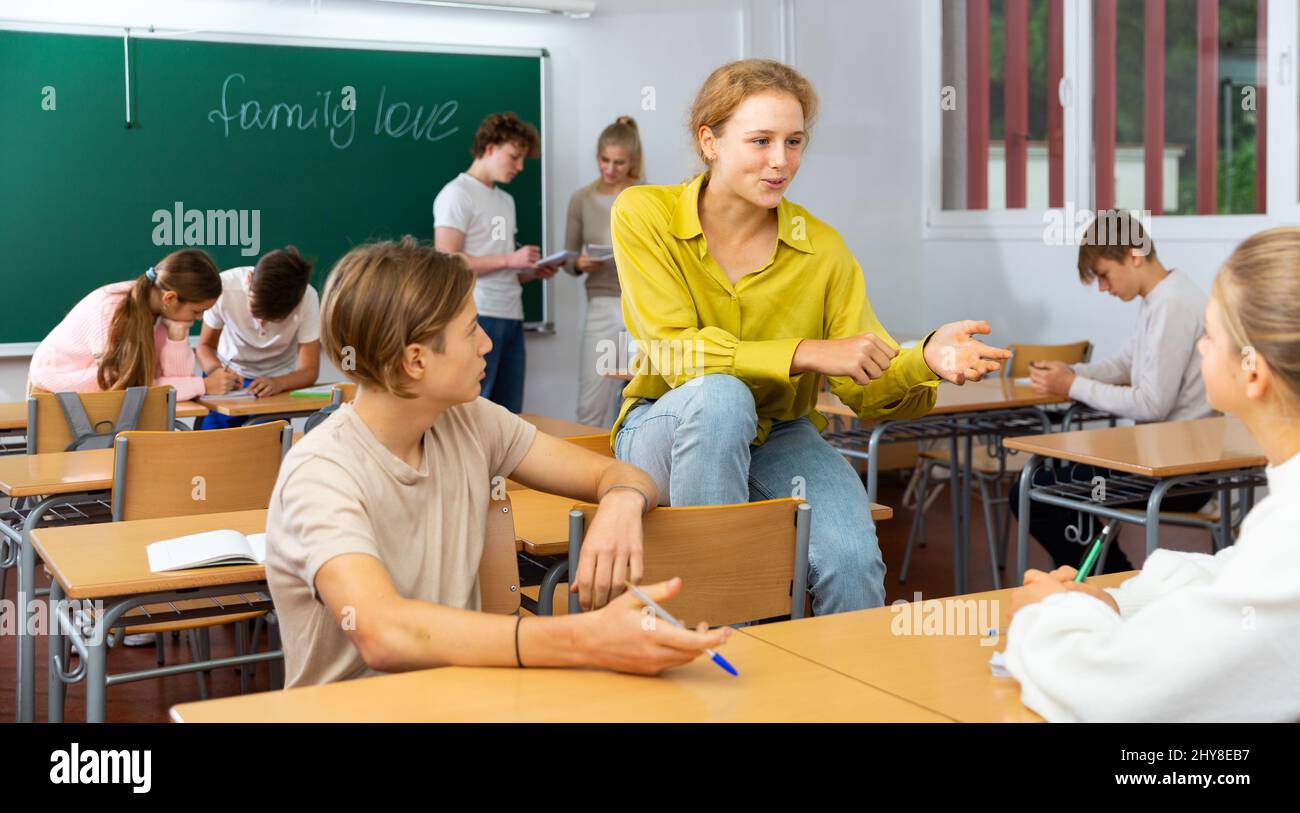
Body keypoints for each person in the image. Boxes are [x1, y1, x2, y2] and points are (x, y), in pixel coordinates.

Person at [1006, 226, 1300, 722]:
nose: (1201, 347)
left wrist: (1052, 615)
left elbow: (1111, 695)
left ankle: (1106, 564)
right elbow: (1232, 574)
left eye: (1210, 335)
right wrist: (1122, 596)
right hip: (1162, 474)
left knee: (1036, 486)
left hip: (1176, 472)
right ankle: (1109, 569)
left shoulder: (1286, 541)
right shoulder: (1279, 523)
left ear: (1252, 371)